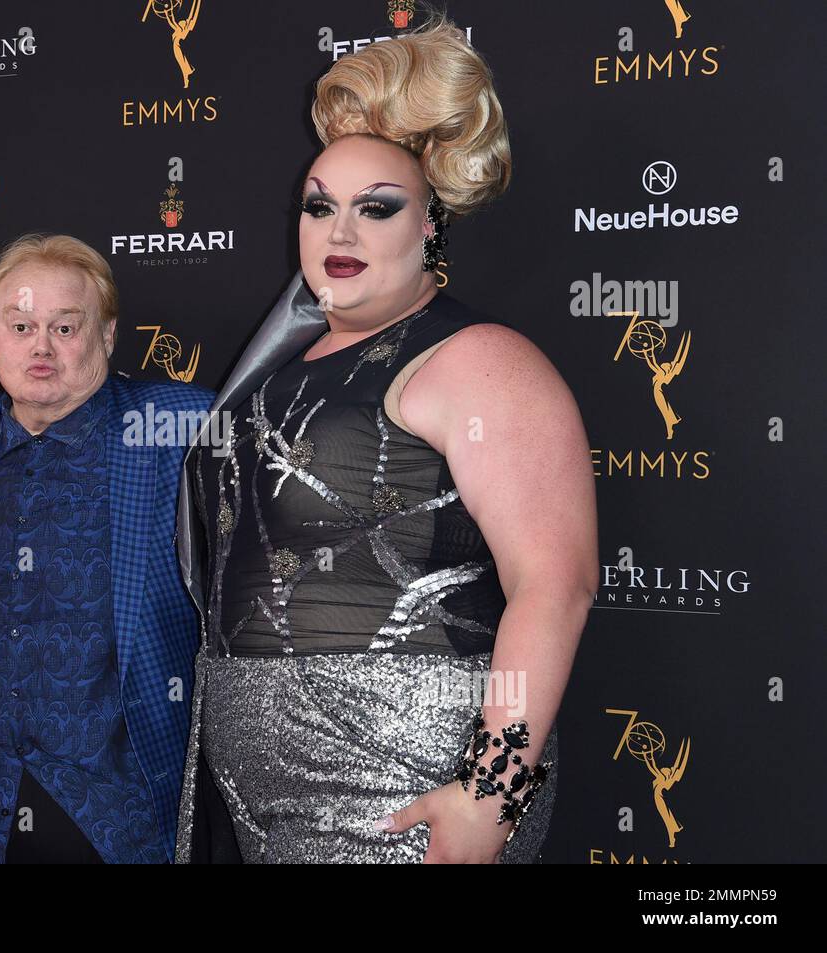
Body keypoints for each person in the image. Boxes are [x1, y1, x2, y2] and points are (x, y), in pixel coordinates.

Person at [174, 12, 598, 863]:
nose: (340, 232)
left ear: (430, 225)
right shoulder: (277, 366)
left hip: (402, 780)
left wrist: (491, 789)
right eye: (319, 205)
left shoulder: (478, 361)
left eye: (376, 208)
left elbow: (558, 583)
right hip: (256, 795)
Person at [0, 233, 213, 863]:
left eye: (65, 327)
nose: (40, 346)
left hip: (114, 818)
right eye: (19, 326)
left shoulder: (178, 431)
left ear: (106, 335)